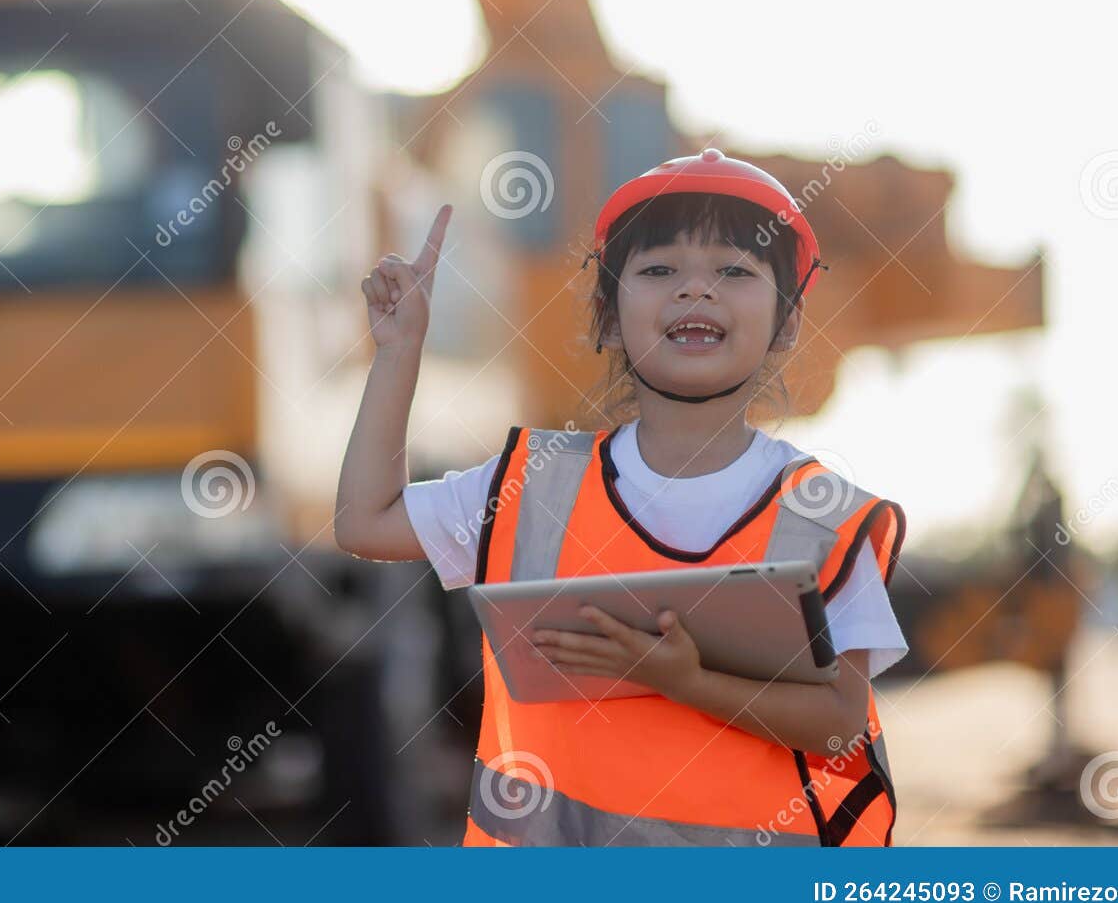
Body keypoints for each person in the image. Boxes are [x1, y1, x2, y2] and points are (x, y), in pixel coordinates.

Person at [333, 148, 909, 847]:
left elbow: (840, 721)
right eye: (659, 269)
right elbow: (366, 520)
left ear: (788, 324)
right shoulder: (530, 484)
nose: (695, 291)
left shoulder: (826, 515)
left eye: (734, 270)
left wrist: (690, 680)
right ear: (607, 317)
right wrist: (399, 350)